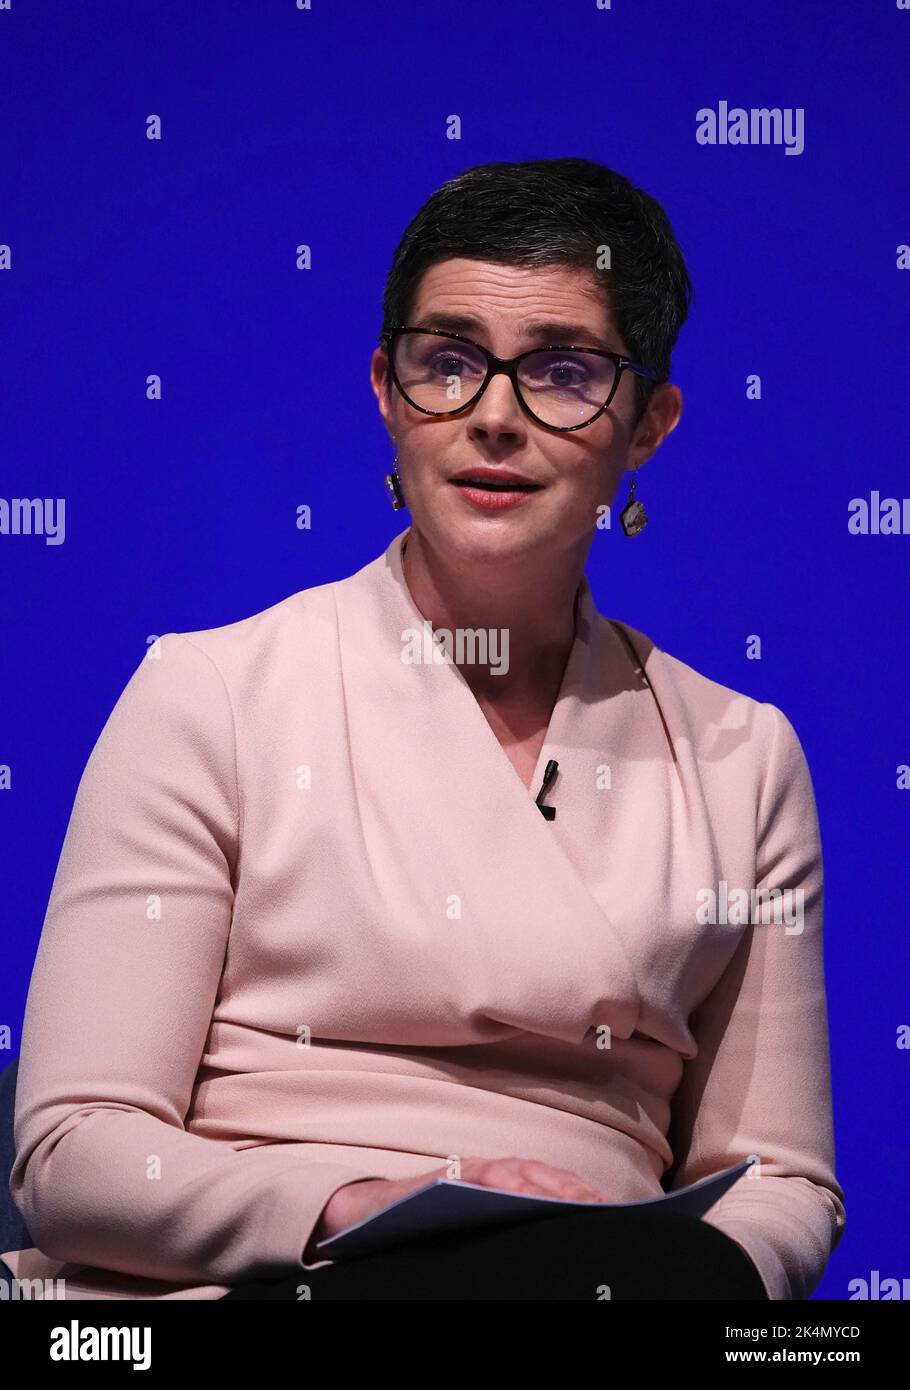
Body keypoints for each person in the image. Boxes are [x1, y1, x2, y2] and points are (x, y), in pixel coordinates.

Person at [4, 158, 845, 1302]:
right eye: (446, 362)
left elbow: (783, 1182)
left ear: (649, 422)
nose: (492, 415)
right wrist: (378, 1218)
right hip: (262, 1286)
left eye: (561, 372)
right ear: (386, 392)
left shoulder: (743, 757)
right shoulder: (209, 694)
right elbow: (77, 1148)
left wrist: (662, 1278)